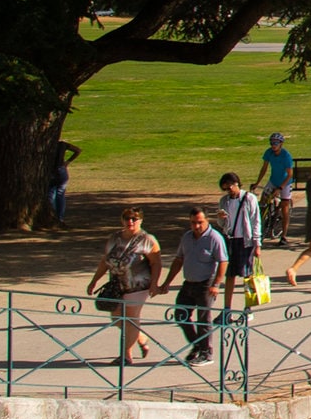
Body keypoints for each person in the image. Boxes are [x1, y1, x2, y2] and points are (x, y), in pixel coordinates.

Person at [86, 207, 162, 365]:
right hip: (117, 285)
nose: (130, 222)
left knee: (131, 318)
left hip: (138, 285)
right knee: (116, 317)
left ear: (141, 220)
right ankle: (141, 337)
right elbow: (105, 261)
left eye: (134, 219)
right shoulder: (115, 237)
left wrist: (154, 284)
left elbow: (156, 263)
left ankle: (126, 355)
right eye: (127, 218)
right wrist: (94, 280)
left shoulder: (147, 239)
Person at [166, 207, 229, 363]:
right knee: (181, 315)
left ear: (207, 220)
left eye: (200, 222)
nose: (196, 226)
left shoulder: (214, 238)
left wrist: (216, 284)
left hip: (206, 284)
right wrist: (166, 283)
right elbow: (179, 260)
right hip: (189, 283)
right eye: (193, 223)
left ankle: (206, 353)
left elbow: (223, 261)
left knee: (203, 319)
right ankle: (197, 345)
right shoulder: (187, 237)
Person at [215, 173, 261, 312]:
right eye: (225, 189)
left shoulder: (249, 198)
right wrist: (220, 218)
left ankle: (248, 308)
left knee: (247, 276)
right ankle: (227, 308)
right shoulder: (224, 201)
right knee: (230, 275)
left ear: (236, 184)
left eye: (229, 188)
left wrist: (257, 243)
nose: (228, 191)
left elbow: (255, 221)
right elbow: (221, 224)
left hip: (245, 241)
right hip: (230, 240)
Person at [257, 132, 295, 249]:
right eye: (272, 143)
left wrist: (281, 188)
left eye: (276, 143)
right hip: (273, 180)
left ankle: (283, 236)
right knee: (263, 202)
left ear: (281, 144)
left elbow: (289, 174)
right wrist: (257, 182)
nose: (273, 145)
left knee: (284, 208)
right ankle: (262, 225)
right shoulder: (269, 153)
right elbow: (264, 168)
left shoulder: (286, 156)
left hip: (285, 183)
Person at [48, 139, 80, 226]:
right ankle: (60, 218)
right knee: (60, 194)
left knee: (50, 193)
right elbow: (78, 150)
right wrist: (68, 161)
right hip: (61, 169)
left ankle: (51, 215)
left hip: (50, 170)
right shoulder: (62, 144)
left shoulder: (46, 144)